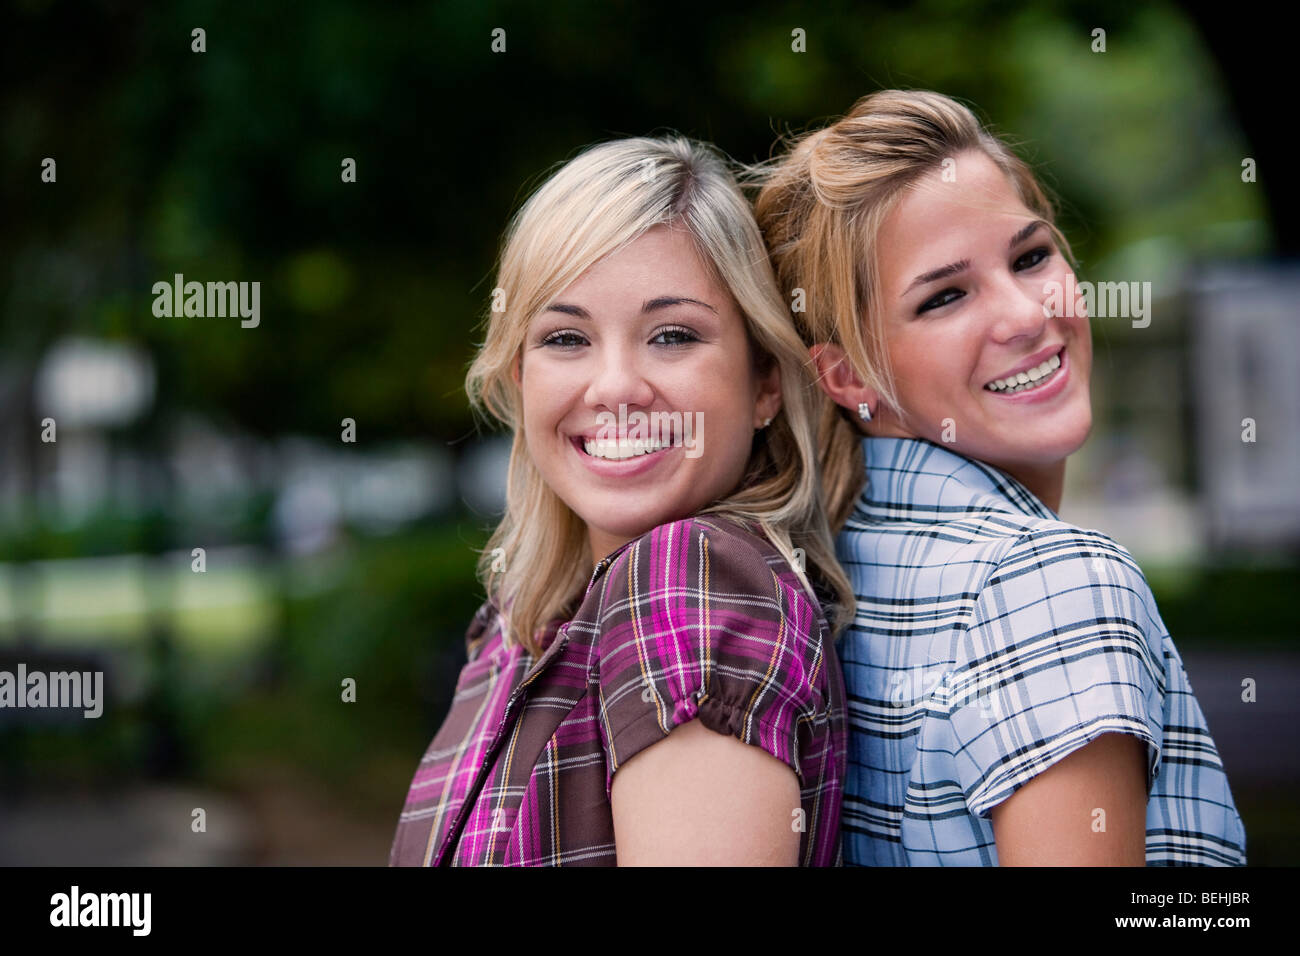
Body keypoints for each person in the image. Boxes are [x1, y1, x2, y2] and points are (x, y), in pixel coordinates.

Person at [750, 89, 1247, 865]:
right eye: (945, 296)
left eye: (1031, 256)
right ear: (847, 376)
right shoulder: (1049, 580)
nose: (1024, 314)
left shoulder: (824, 562)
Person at [389, 135, 854, 866]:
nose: (613, 387)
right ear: (519, 376)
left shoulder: (689, 583)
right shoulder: (518, 622)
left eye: (671, 336)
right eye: (566, 337)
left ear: (765, 381)